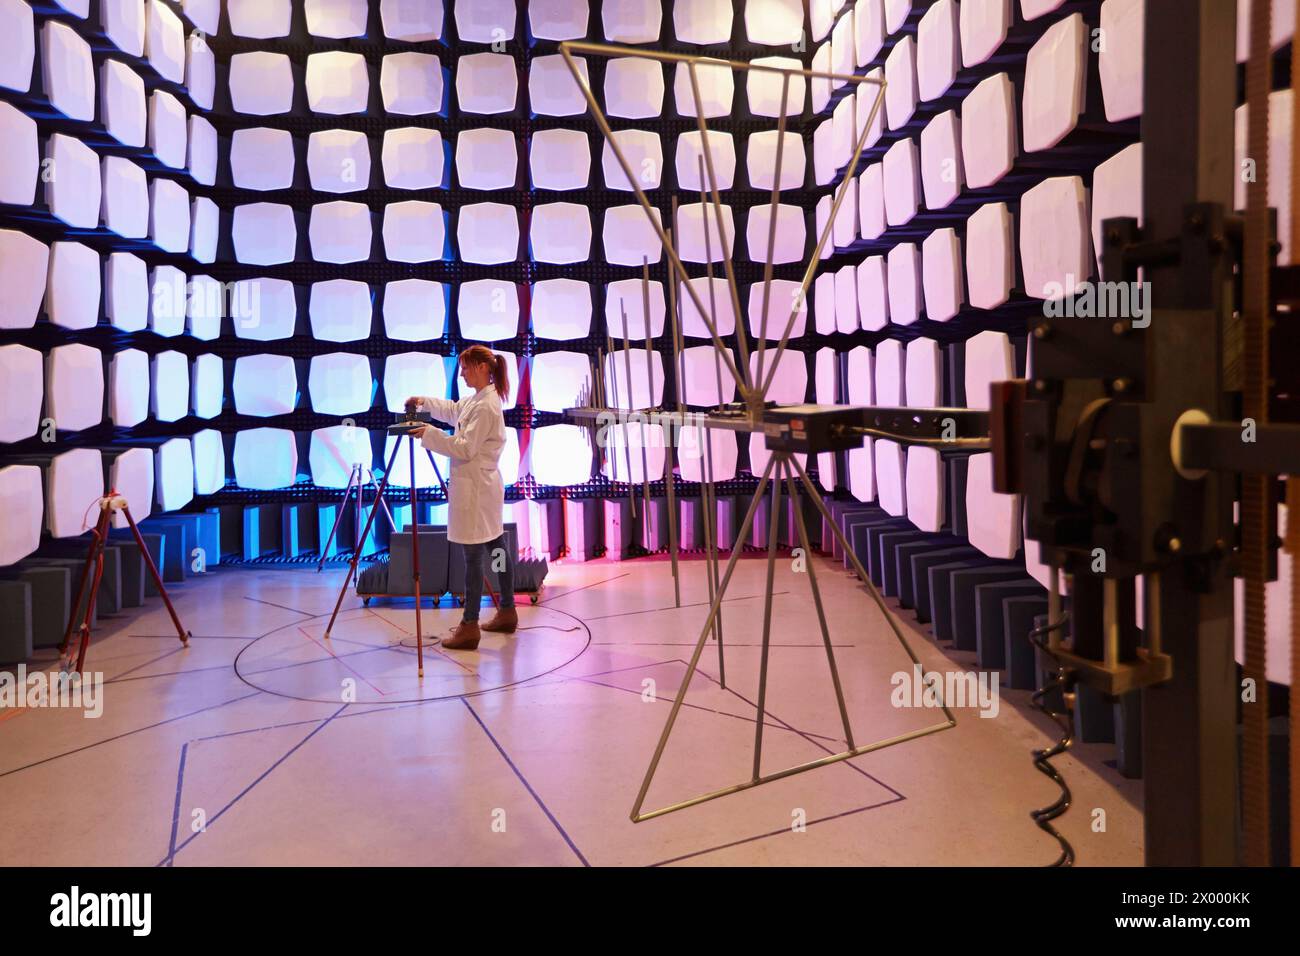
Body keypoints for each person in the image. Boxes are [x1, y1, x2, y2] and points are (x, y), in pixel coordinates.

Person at [405, 344, 516, 650]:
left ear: (482, 367)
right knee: (496, 546)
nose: (462, 372)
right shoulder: (479, 400)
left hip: (477, 491)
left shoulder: (486, 406)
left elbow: (466, 448)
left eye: (466, 367)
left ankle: (470, 625)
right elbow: (454, 410)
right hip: (482, 487)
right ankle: (507, 609)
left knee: (474, 555)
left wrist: (427, 433)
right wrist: (423, 403)